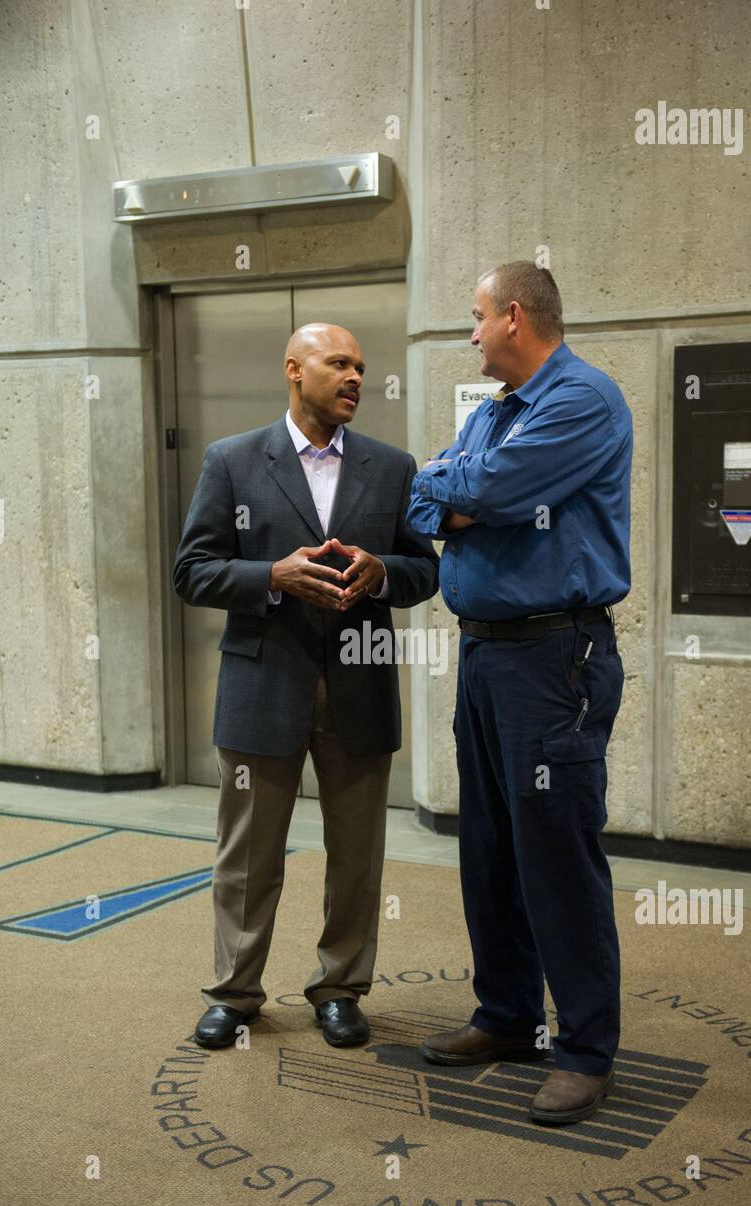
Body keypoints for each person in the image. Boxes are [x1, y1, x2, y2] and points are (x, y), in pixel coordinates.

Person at [406, 263, 632, 1125]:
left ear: (511, 316)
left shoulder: (583, 399)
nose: (468, 335)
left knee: (555, 854)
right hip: (485, 658)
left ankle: (583, 1050)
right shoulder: (495, 412)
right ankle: (505, 1018)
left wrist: (456, 494)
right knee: (490, 848)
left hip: (553, 658)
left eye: (473, 318)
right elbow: (432, 501)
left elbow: (485, 491)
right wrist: (448, 495)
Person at [174, 323, 439, 1050]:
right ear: (294, 369)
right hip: (263, 688)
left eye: (360, 366)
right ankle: (234, 992)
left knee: (356, 858)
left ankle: (339, 989)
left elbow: (427, 570)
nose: (355, 376)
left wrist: (383, 571)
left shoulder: (392, 468)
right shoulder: (232, 460)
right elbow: (191, 570)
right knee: (247, 856)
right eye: (339, 363)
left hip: (359, 685)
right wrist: (271, 577)